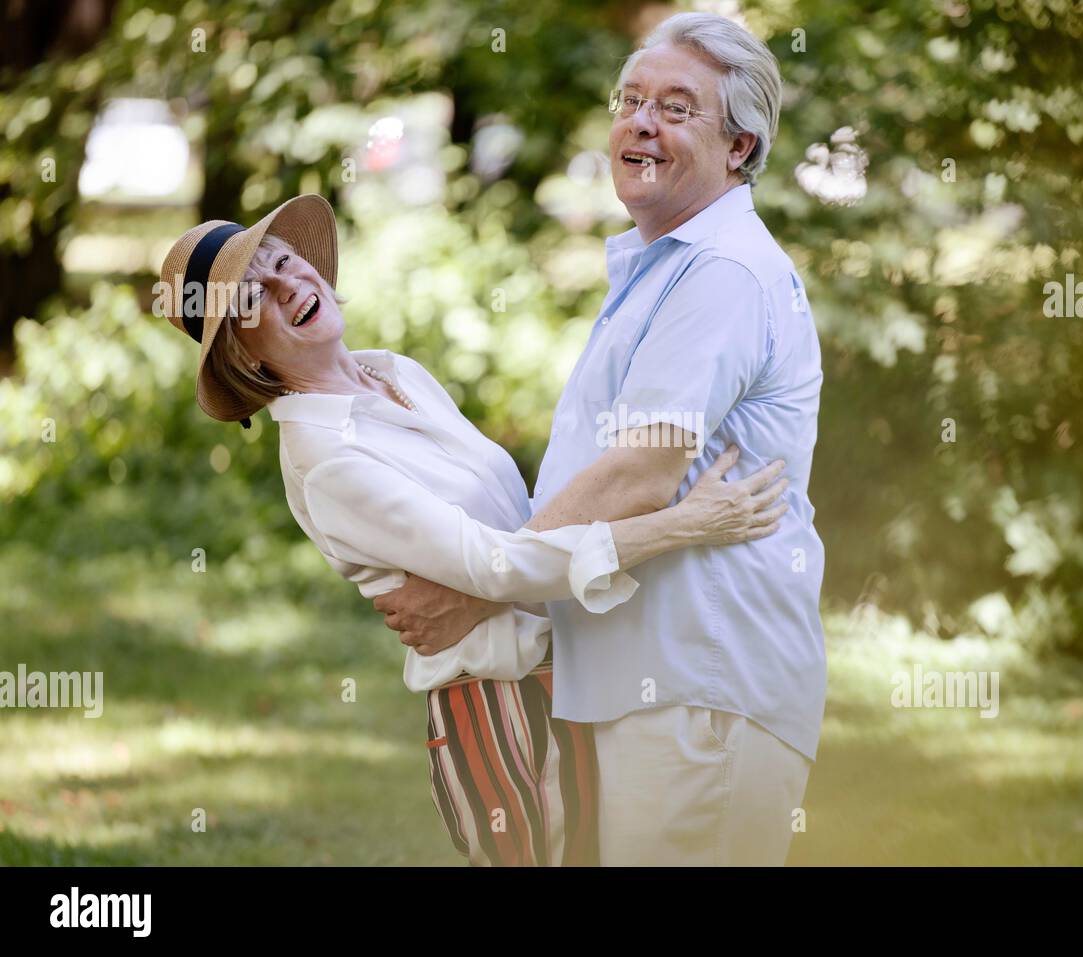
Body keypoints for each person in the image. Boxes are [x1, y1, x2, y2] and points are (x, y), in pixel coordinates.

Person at [156, 192, 789, 865]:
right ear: (244, 355)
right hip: (502, 709)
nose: (287, 285)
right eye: (254, 297)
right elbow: (497, 564)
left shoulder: (394, 373)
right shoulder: (326, 460)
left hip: (572, 669)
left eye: (282, 262)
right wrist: (681, 524)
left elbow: (521, 524)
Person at [376, 12, 826, 866]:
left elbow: (637, 477)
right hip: (651, 690)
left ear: (740, 147)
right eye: (631, 100)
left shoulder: (721, 273)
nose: (641, 123)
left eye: (677, 107)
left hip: (702, 692)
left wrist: (476, 591)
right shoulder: (668, 263)